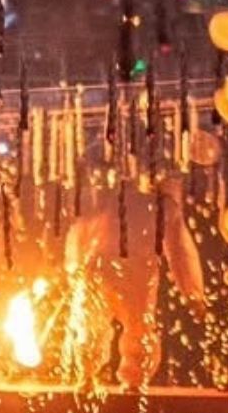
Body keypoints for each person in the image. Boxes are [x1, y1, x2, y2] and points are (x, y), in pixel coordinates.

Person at [64, 161, 205, 388]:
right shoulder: (148, 206)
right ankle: (103, 376)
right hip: (117, 271)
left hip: (123, 271)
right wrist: (193, 293)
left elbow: (180, 251)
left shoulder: (156, 207)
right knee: (110, 326)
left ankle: (113, 376)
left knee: (123, 327)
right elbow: (180, 252)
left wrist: (193, 292)